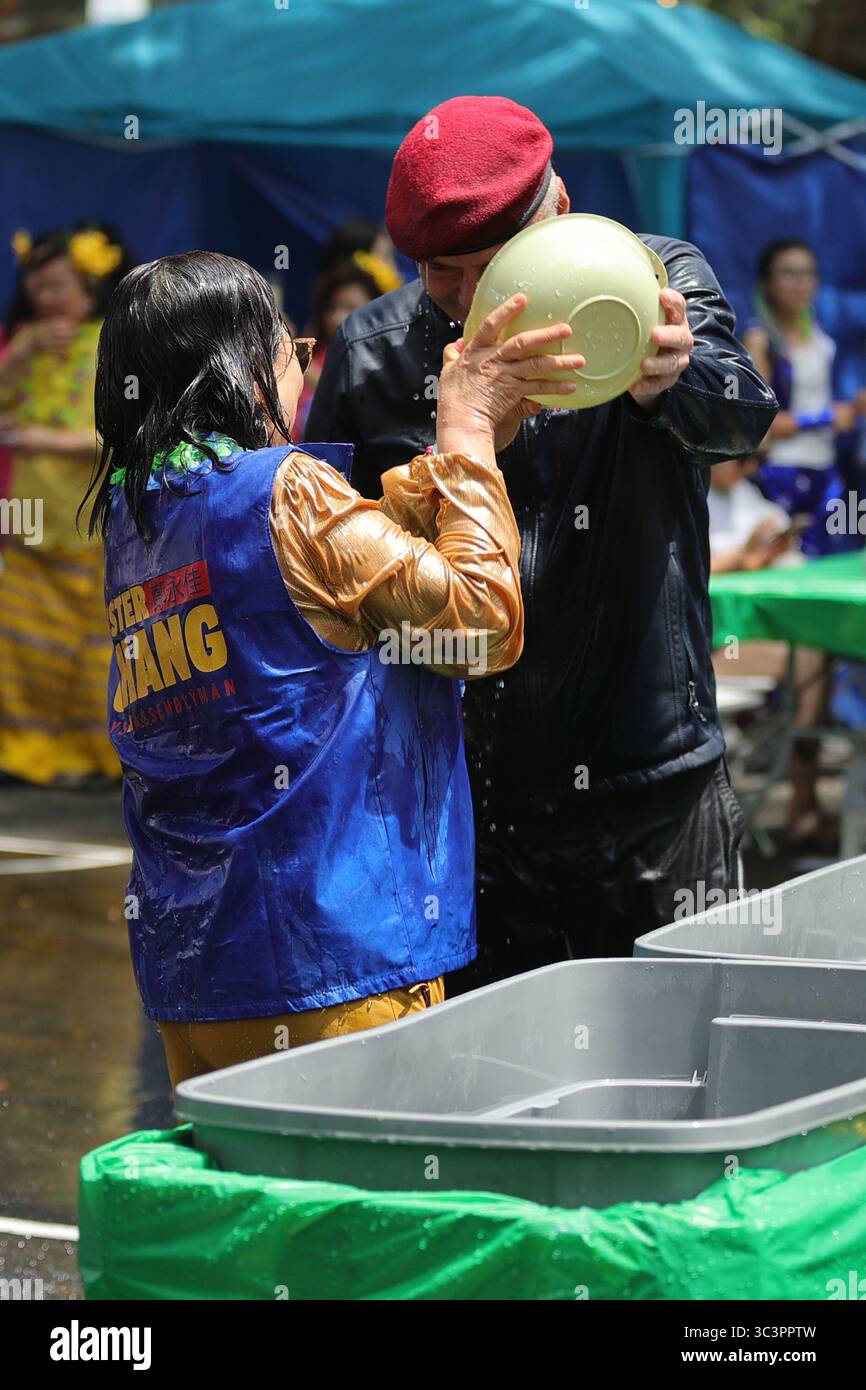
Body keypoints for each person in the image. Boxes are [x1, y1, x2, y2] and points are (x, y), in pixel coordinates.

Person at [306, 95, 779, 989]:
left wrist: (667, 382)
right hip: (466, 797)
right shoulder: (375, 352)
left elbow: (742, 418)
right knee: (489, 1088)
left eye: (483, 267)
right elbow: (319, 549)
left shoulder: (648, 284)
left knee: (689, 1070)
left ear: (555, 210)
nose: (460, 294)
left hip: (653, 774)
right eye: (437, 271)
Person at [84, 251, 584, 1086]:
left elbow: (331, 582)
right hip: (333, 963)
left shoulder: (138, 513)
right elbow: (481, 625)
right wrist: (463, 439)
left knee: (256, 1208)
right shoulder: (288, 491)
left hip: (195, 974)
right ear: (244, 373)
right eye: (293, 352)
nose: (304, 369)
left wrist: (464, 456)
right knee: (362, 1209)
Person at [0, 225, 131, 785]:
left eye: (57, 285)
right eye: (37, 284)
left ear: (91, 283)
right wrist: (20, 352)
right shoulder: (26, 340)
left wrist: (45, 440)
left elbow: (126, 431)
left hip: (89, 521)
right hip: (28, 519)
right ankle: (23, 752)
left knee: (94, 645)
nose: (44, 296)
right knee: (23, 644)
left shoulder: (113, 342)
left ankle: (92, 758)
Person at [708, 455, 834, 849]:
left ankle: (804, 799)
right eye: (740, 458)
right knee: (812, 655)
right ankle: (803, 806)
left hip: (744, 640)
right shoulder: (687, 495)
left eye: (756, 460)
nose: (747, 468)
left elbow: (786, 548)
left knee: (816, 652)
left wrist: (773, 552)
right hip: (703, 649)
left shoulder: (746, 495)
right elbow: (684, 569)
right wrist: (744, 558)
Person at [742, 239, 863, 558]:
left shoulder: (823, 339)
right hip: (781, 474)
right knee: (788, 568)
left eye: (808, 274)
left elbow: (835, 411)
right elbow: (761, 425)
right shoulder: (760, 339)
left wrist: (853, 410)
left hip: (827, 471)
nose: (800, 283)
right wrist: (825, 418)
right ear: (767, 282)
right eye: (789, 274)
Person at [295, 263, 380, 437]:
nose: (336, 317)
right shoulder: (317, 352)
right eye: (332, 308)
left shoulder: (381, 362)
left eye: (350, 307)